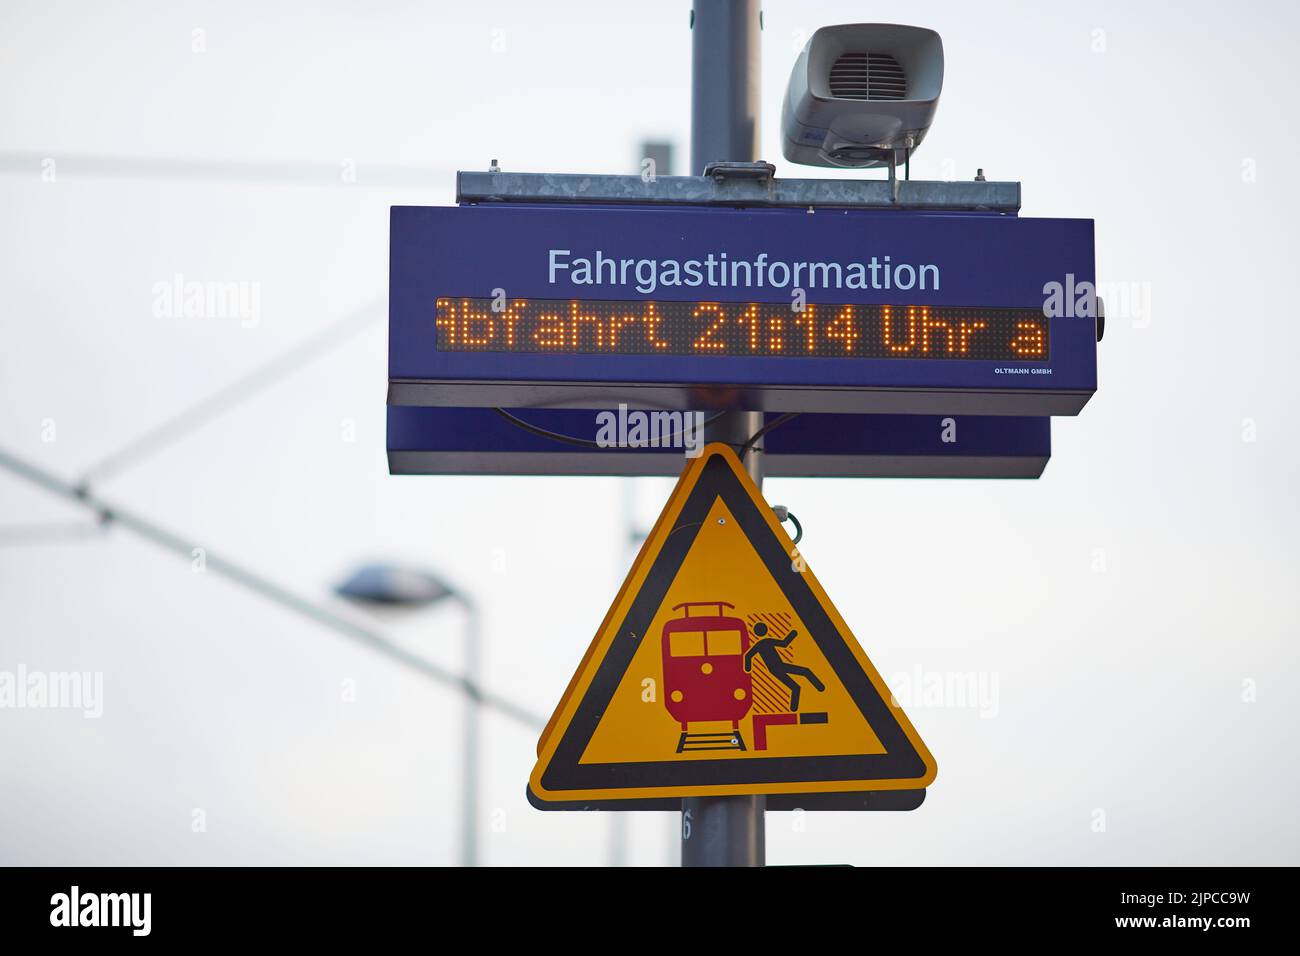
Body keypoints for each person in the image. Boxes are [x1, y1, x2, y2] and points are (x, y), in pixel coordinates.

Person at [743, 622, 824, 712]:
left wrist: (748, 668)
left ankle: (795, 708)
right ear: (765, 630)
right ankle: (820, 688)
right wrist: (793, 633)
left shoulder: (759, 644)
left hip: (774, 669)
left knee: (796, 687)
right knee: (805, 672)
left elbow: (748, 656)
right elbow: (784, 643)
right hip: (779, 666)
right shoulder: (768, 641)